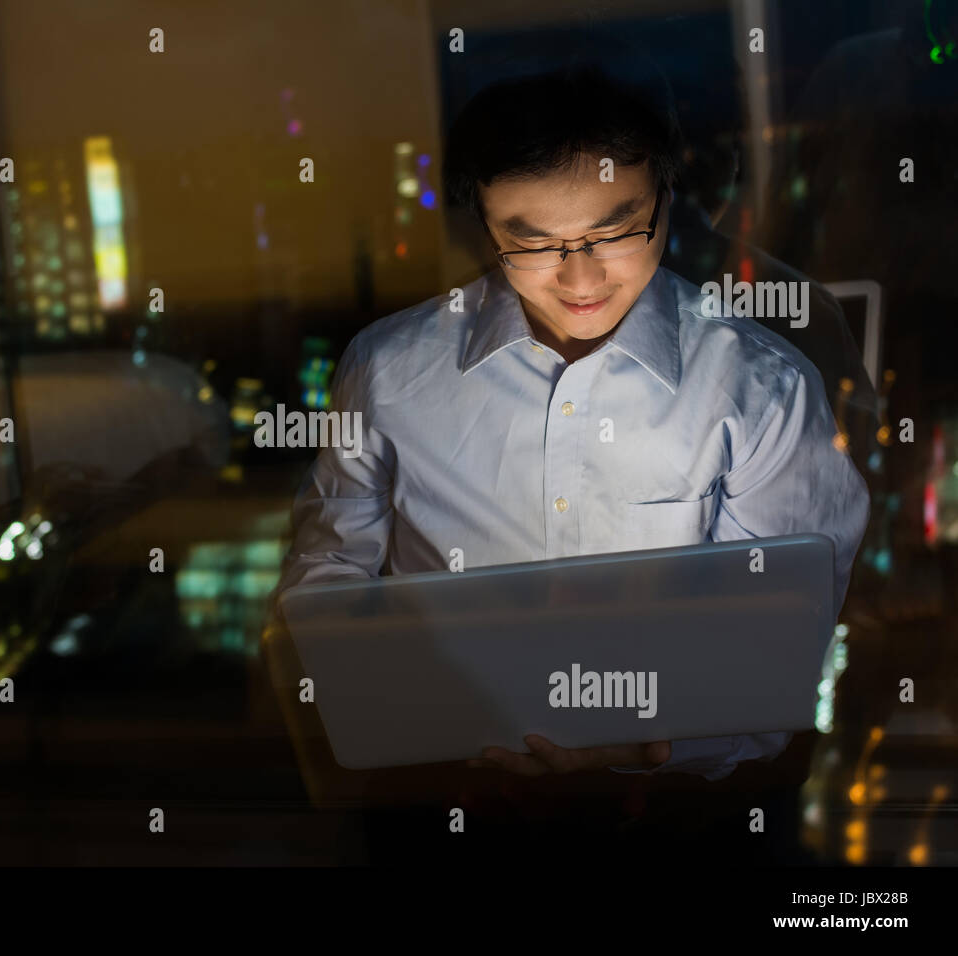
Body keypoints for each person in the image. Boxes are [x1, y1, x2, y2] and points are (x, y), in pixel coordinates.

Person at [272, 61, 871, 783]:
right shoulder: (388, 372)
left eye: (617, 231)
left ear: (666, 198)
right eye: (531, 243)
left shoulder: (761, 388)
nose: (580, 280)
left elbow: (782, 645)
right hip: (443, 798)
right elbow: (327, 578)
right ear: (483, 227)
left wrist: (654, 757)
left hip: (685, 818)